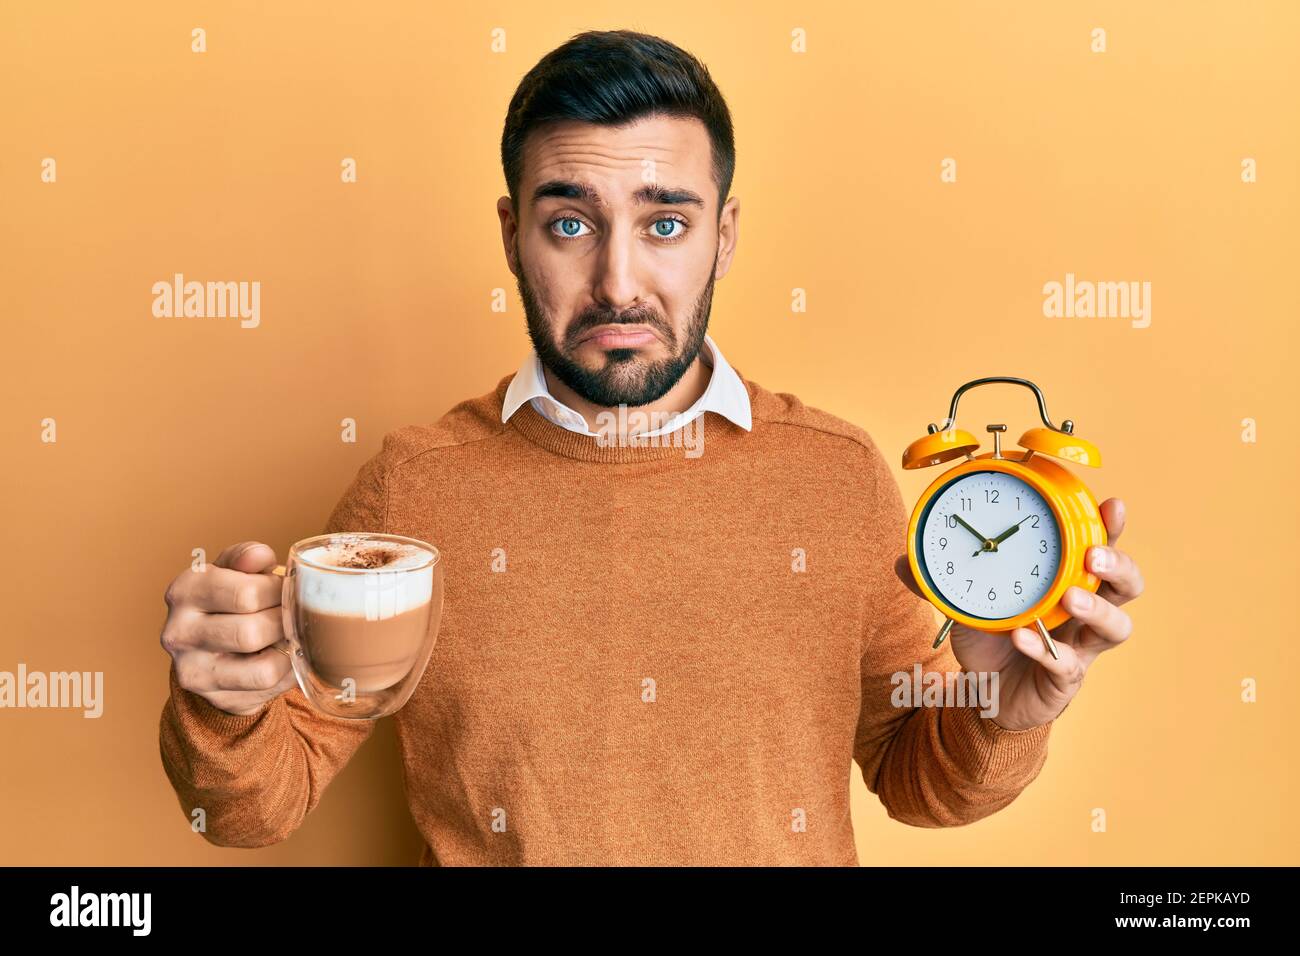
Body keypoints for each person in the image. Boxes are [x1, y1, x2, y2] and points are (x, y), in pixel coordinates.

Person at [158, 29, 1144, 865]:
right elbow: (254, 806)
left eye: (663, 221)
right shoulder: (409, 489)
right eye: (570, 222)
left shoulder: (833, 475)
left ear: (723, 233)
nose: (617, 279)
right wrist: (222, 700)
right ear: (512, 235)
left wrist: (1001, 706)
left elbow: (923, 786)